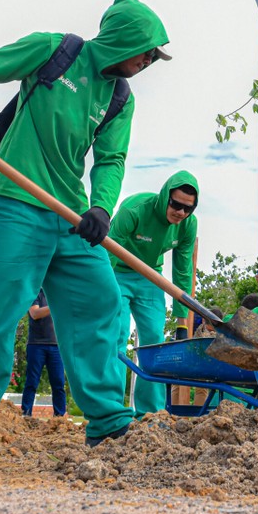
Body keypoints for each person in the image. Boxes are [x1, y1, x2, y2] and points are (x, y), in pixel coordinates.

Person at [0, 0, 172, 459]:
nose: (150, 61)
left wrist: (102, 209)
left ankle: (107, 421)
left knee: (104, 303)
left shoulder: (120, 98)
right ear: (125, 39)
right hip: (16, 203)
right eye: (147, 50)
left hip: (71, 216)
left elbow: (110, 160)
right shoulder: (55, 50)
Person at [108, 170, 198, 417]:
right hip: (117, 272)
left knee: (154, 342)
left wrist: (182, 323)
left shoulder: (188, 225)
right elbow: (107, 253)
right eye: (176, 205)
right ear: (164, 198)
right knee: (117, 335)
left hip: (150, 276)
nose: (180, 212)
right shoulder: (135, 209)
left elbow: (182, 271)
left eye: (187, 208)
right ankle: (112, 409)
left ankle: (149, 413)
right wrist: (98, 292)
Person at [22, 291, 67, 418]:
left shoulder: (59, 293)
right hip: (36, 344)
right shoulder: (35, 294)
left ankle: (59, 418)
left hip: (57, 345)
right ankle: (26, 415)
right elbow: (35, 313)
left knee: (58, 383)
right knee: (31, 382)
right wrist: (56, 305)